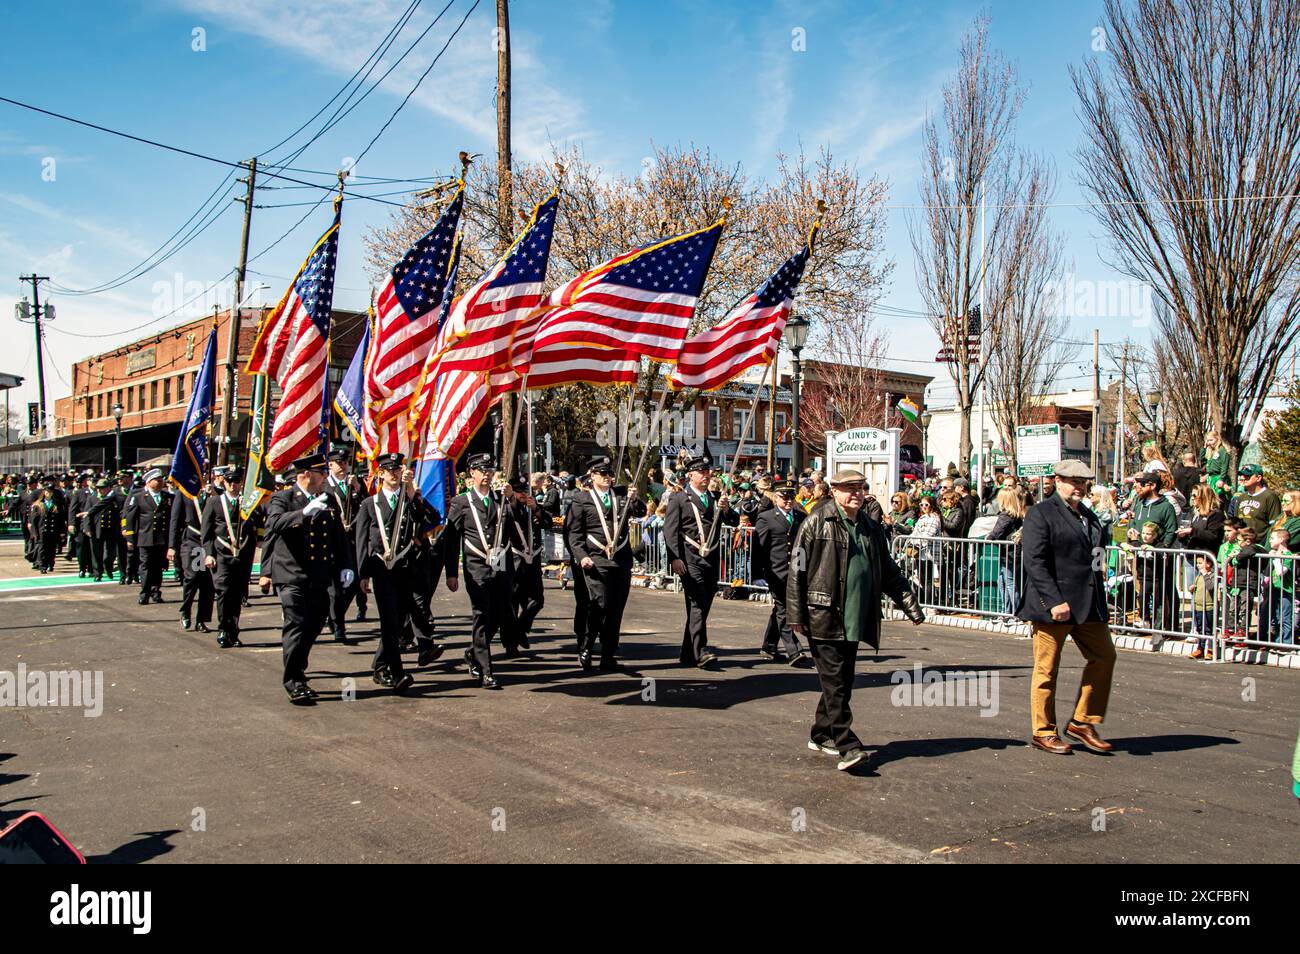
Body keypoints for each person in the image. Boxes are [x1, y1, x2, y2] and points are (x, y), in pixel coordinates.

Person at [787, 468, 924, 772]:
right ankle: (848, 744)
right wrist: (795, 614)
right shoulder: (815, 523)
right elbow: (796, 570)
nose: (856, 494)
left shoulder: (870, 527)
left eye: (860, 488)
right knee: (836, 682)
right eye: (848, 489)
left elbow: (888, 570)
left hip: (855, 617)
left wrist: (910, 604)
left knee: (842, 681)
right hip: (822, 614)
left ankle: (822, 733)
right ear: (833, 491)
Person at [1017, 459, 1118, 755]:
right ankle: (1043, 731)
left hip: (1088, 606)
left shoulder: (1089, 516)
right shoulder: (1041, 513)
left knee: (1105, 657)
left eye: (1083, 482)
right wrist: (1053, 601)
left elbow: (1097, 559)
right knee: (1046, 671)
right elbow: (1034, 562)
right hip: (1054, 606)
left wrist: (1101, 597)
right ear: (1058, 481)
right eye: (1073, 481)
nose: (1079, 487)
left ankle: (1083, 721)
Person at [265, 453, 356, 705]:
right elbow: (274, 525)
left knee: (314, 623)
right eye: (320, 474)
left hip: (319, 575)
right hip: (291, 574)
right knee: (295, 623)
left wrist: (346, 565)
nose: (324, 478)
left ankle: (298, 665)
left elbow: (338, 535)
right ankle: (294, 681)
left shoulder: (326, 499)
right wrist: (303, 513)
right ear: (305, 474)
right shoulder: (283, 498)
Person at [355, 454, 432, 694]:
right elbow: (361, 541)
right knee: (389, 621)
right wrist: (362, 574)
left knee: (397, 622)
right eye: (389, 471)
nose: (394, 474)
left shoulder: (407, 499)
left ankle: (379, 665)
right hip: (381, 568)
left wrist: (411, 493)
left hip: (404, 568)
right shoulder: (370, 503)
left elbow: (426, 519)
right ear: (380, 474)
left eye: (397, 470)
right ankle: (397, 673)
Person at [442, 454, 515, 690]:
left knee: (500, 614)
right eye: (481, 470)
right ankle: (486, 671)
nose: (486, 474)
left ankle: (474, 652)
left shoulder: (500, 499)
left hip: (500, 564)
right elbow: (451, 539)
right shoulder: (461, 502)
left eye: (489, 470)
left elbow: (515, 527)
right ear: (471, 473)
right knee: (482, 614)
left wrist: (512, 499)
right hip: (476, 566)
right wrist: (451, 572)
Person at [565, 456, 634, 672]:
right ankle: (586, 644)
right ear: (592, 475)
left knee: (615, 610)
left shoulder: (621, 495)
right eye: (603, 474)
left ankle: (608, 654)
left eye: (610, 474)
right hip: (596, 559)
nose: (607, 478)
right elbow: (574, 533)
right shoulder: (581, 499)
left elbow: (640, 511)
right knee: (599, 604)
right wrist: (580, 555)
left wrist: (634, 498)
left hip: (620, 560)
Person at [664, 454, 723, 668]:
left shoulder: (716, 498)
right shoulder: (679, 498)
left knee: (703, 605)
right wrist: (675, 558)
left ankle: (687, 652)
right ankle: (701, 651)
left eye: (708, 472)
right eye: (701, 472)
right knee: (697, 602)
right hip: (690, 559)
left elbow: (733, 519)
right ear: (690, 475)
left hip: (711, 558)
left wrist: (725, 508)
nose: (706, 476)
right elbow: (670, 531)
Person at [201, 465, 261, 649]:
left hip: (242, 554)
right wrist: (208, 554)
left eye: (237, 482)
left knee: (237, 594)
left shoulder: (247, 503)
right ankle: (222, 629)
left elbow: (258, 524)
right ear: (224, 483)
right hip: (221, 553)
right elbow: (207, 531)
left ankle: (234, 630)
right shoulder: (214, 502)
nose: (233, 485)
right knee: (223, 592)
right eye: (229, 482)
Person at [752, 480, 808, 664]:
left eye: (791, 497)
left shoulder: (801, 516)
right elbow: (759, 547)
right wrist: (757, 574)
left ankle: (768, 646)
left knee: (780, 608)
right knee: (785, 609)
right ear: (776, 498)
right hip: (776, 570)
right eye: (784, 498)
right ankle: (795, 650)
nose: (788, 501)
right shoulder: (766, 517)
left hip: (797, 570)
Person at [323, 446, 369, 642]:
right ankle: (338, 624)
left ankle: (335, 615)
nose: (343, 466)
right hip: (332, 543)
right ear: (330, 465)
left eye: (345, 463)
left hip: (353, 542)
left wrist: (358, 491)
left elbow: (368, 509)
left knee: (352, 586)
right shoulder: (324, 487)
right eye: (338, 463)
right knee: (334, 588)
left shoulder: (356, 484)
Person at [506, 475, 547, 652]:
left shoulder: (532, 506)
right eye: (519, 492)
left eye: (525, 491)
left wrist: (536, 508)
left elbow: (548, 521)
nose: (523, 495)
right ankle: (510, 644)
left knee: (537, 600)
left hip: (532, 560)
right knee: (512, 602)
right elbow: (514, 513)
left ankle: (520, 628)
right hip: (514, 560)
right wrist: (510, 498)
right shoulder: (507, 507)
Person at [169, 480, 214, 633]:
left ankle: (201, 620)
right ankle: (186, 609)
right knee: (193, 577)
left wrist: (212, 494)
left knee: (207, 584)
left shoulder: (213, 493)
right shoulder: (184, 493)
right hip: (193, 541)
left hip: (210, 543)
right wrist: (172, 546)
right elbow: (175, 520)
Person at [123, 468, 172, 605]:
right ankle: (144, 593)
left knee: (158, 567)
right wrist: (130, 538)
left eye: (162, 479)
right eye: (158, 480)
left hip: (161, 539)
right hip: (145, 538)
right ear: (149, 482)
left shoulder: (167, 497)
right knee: (145, 566)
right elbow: (130, 519)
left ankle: (156, 592)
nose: (161, 482)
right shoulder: (138, 497)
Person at [986, 486, 1028, 623]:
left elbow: (996, 532)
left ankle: (1014, 613)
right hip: (1011, 553)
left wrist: (989, 537)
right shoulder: (1017, 514)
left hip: (1010, 554)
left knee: (1009, 582)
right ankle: (1007, 612)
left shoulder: (1006, 515)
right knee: (1004, 581)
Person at [85, 478, 122, 582]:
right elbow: (87, 514)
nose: (100, 490)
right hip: (96, 529)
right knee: (96, 553)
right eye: (98, 488)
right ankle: (98, 573)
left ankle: (108, 568)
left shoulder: (113, 498)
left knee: (109, 553)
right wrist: (87, 528)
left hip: (110, 529)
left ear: (108, 488)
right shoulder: (92, 498)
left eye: (103, 488)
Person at [1231, 465, 1281, 538]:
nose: (1243, 478)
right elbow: (1236, 522)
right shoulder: (1241, 497)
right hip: (1241, 542)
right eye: (1242, 475)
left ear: (1258, 478)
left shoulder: (1270, 496)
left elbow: (1274, 524)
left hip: (1260, 544)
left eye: (1247, 476)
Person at [28, 480, 64, 573]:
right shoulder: (38, 505)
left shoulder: (56, 504)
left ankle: (51, 564)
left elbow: (60, 519)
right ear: (44, 492)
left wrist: (61, 531)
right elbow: (34, 520)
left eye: (51, 492)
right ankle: (42, 566)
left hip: (53, 530)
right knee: (42, 549)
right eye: (47, 491)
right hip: (42, 530)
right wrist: (34, 532)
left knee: (51, 549)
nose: (49, 493)